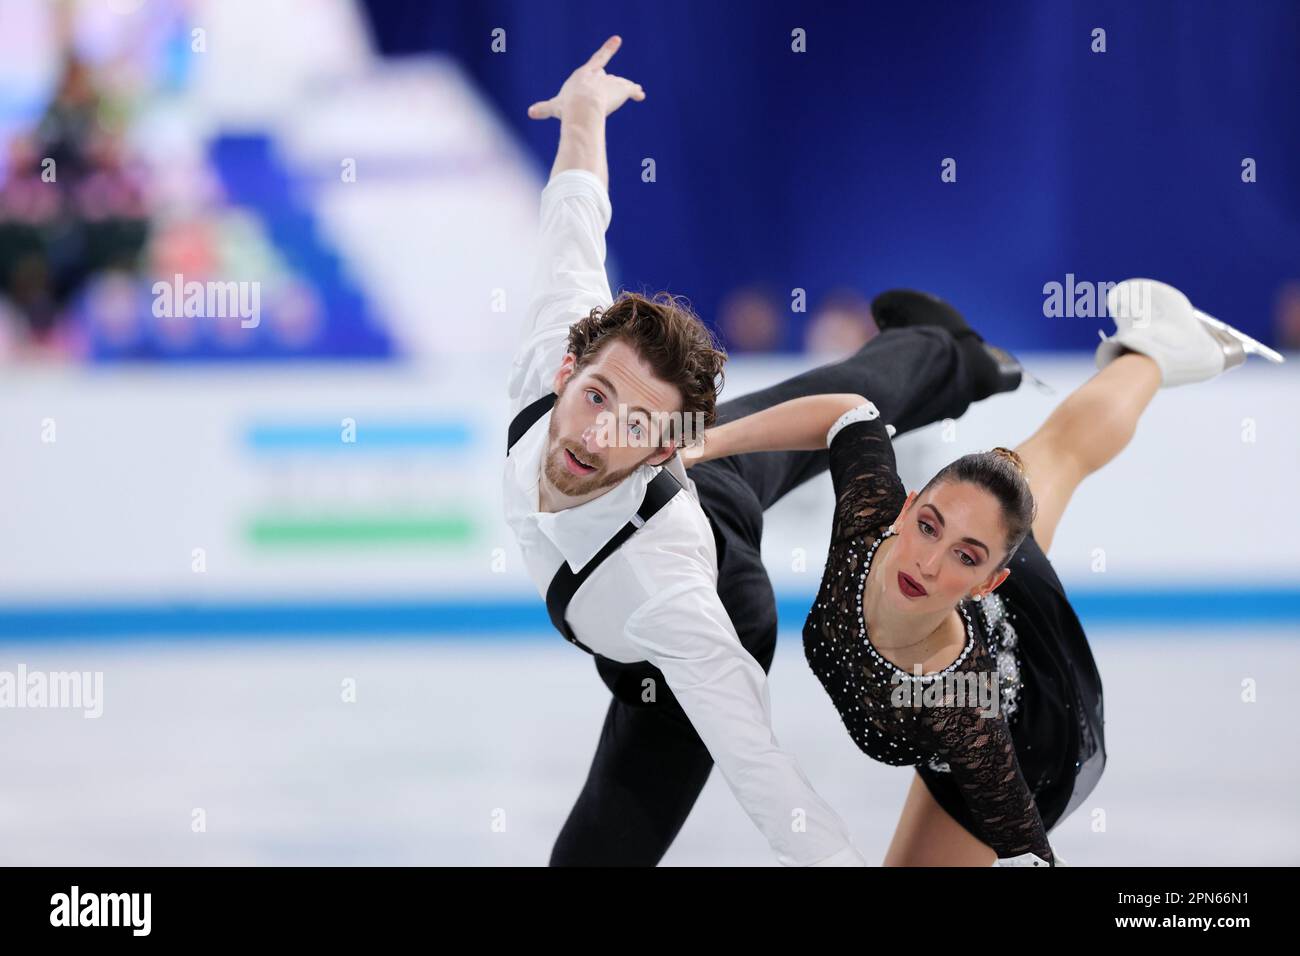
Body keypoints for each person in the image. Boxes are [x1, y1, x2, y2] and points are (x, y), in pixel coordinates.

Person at [506, 36, 1020, 865]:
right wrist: (586, 113)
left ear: (662, 447)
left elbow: (764, 775)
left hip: (706, 578)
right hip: (696, 481)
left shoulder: (675, 599)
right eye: (596, 396)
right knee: (828, 399)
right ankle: (952, 355)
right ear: (568, 368)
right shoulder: (548, 365)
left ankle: (965, 359)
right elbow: (574, 221)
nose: (597, 434)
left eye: (637, 425)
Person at [683, 277, 1284, 865]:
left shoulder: (963, 709)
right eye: (928, 524)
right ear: (907, 505)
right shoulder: (870, 518)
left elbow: (1026, 851)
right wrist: (703, 442)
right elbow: (849, 414)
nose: (927, 560)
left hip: (1026, 740)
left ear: (992, 578)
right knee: (1050, 457)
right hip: (973, 639)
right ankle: (1161, 349)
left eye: (966, 556)